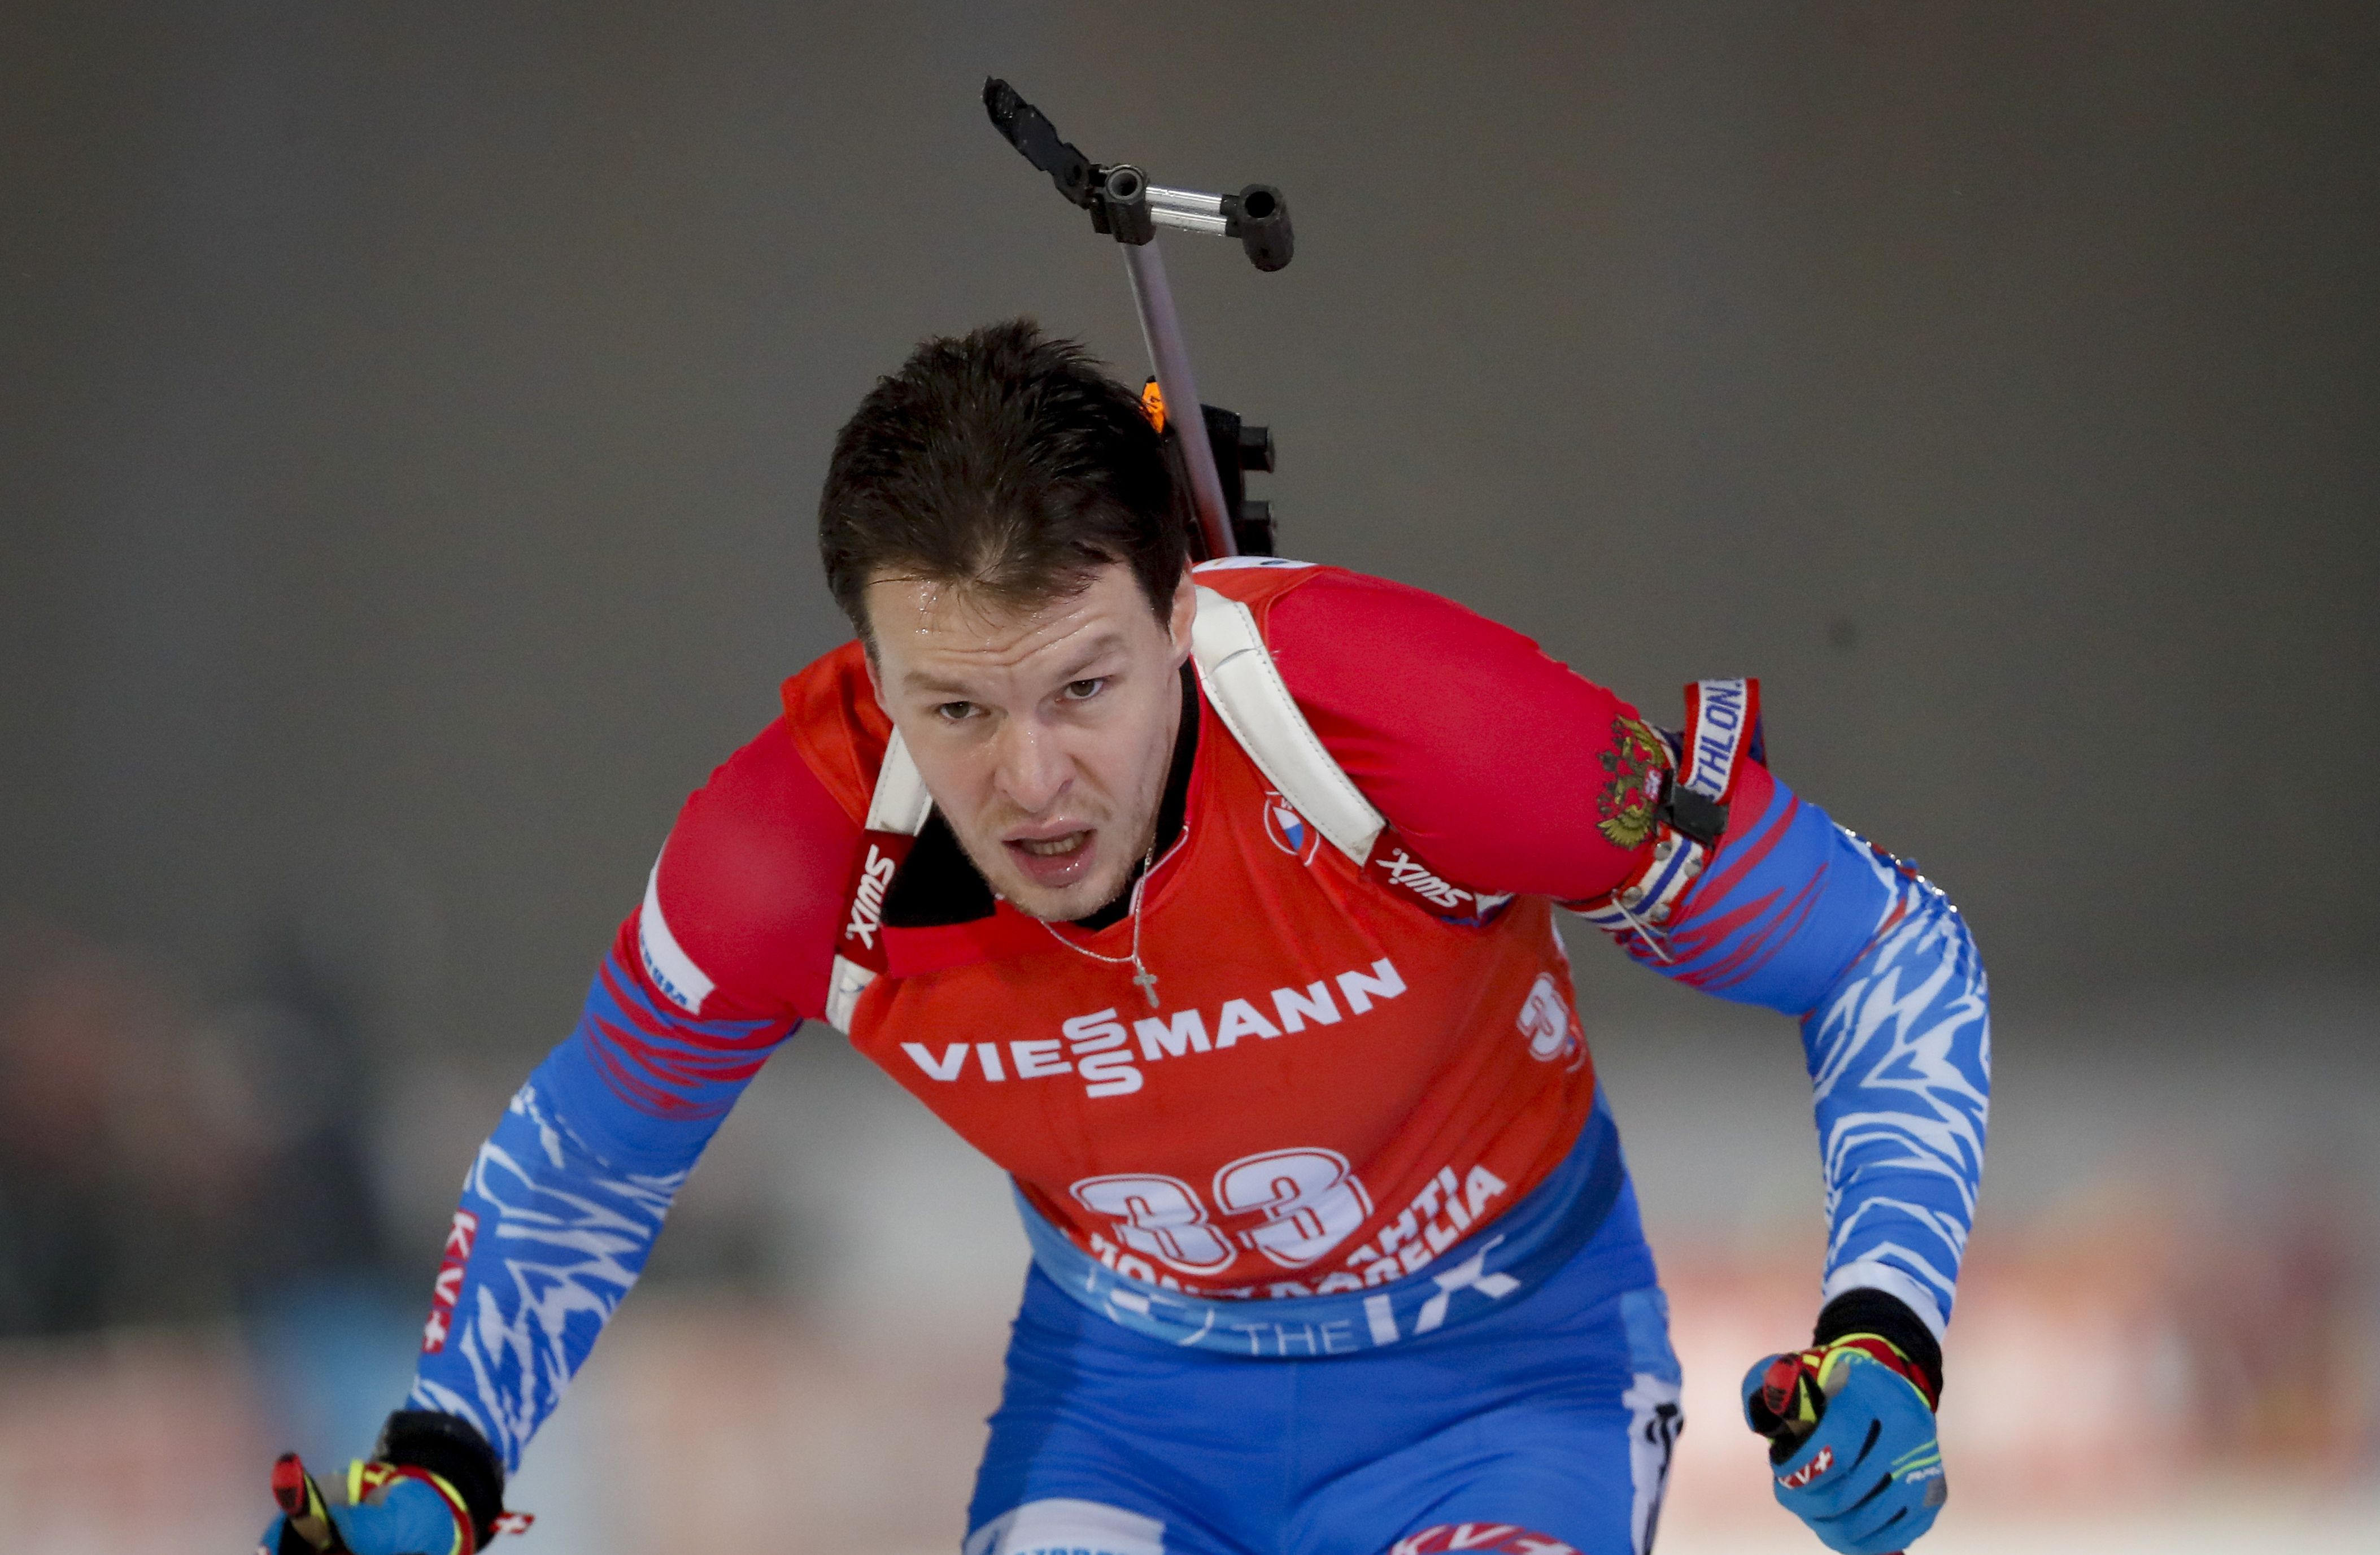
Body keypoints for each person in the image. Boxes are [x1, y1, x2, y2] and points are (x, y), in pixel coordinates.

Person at [260, 321, 1990, 1555]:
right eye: (952, 707)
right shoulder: (789, 850)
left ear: (1184, 608)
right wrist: (442, 1454)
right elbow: (586, 1163)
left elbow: (1883, 953)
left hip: (1500, 1391)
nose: (1030, 784)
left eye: (1084, 687)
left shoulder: (1406, 725)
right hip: (1134, 1426)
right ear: (871, 669)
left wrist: (1885, 1325)